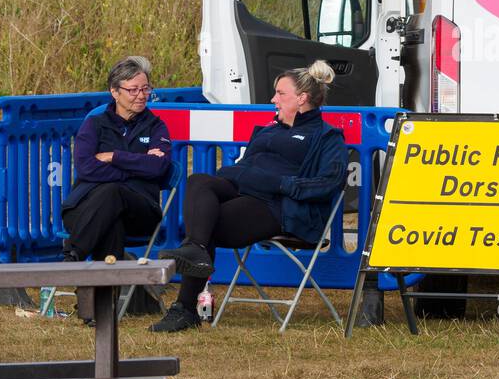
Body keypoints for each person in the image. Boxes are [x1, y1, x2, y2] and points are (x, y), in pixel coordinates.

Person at [152, 60, 348, 332]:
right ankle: (195, 254)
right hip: (241, 189)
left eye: (280, 93)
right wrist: (237, 174)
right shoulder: (269, 129)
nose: (273, 99)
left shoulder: (327, 137)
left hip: (276, 205)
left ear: (302, 98)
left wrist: (279, 184)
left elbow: (328, 183)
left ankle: (186, 307)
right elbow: (244, 167)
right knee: (198, 181)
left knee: (205, 225)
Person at [61, 56, 173, 322]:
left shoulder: (156, 126)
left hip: (141, 210)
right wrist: (137, 165)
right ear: (114, 91)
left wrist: (114, 157)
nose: (141, 95)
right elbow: (86, 168)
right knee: (112, 216)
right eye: (133, 89)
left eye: (145, 89)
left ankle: (73, 256)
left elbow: (158, 168)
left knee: (113, 193)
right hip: (86, 209)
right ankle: (99, 312)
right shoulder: (95, 124)